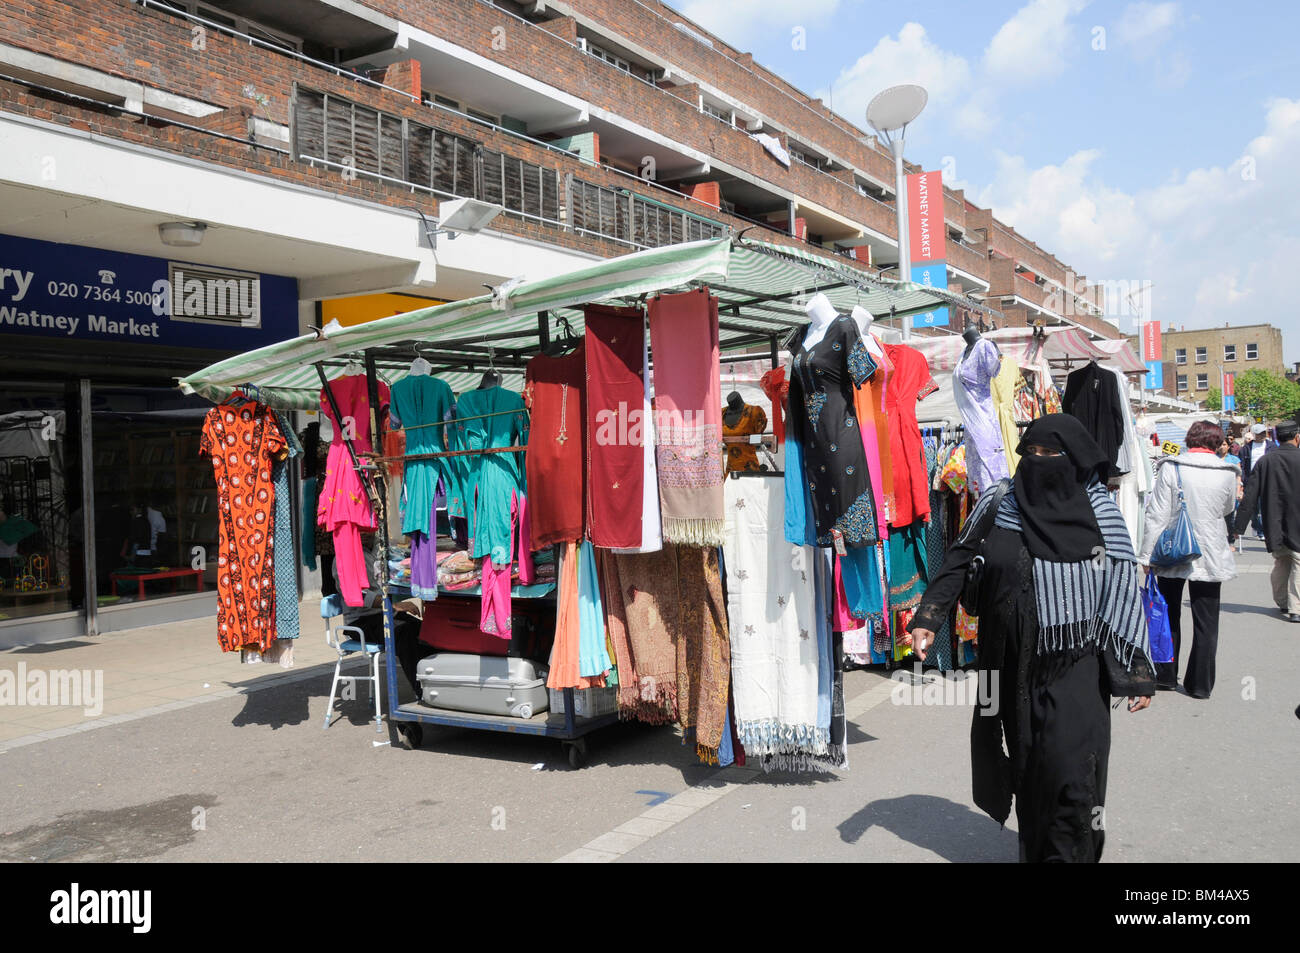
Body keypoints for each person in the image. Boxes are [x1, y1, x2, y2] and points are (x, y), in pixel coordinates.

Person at [909, 414, 1155, 863]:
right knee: (1027, 764)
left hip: (1076, 662)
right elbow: (961, 557)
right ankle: (1035, 850)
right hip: (1006, 657)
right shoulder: (1000, 501)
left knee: (1072, 769)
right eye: (1032, 454)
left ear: (1076, 461)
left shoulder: (1101, 514)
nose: (1039, 463)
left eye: (1051, 455)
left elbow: (1123, 590)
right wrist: (929, 614)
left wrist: (1136, 671)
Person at [1139, 422, 1237, 698]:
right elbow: (1227, 507)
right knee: (1207, 622)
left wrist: (1147, 555)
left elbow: (1157, 513)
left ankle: (1166, 676)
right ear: (1217, 442)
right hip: (1211, 551)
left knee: (1168, 615)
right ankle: (1200, 684)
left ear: (1189, 438)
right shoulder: (1227, 471)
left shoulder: (1172, 467)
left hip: (1173, 550)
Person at [1237, 421, 1300, 622]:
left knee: (1282, 561)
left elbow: (1250, 495)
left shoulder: (1265, 461)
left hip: (1274, 522)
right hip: (1298, 521)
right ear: (1297, 437)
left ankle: (1283, 601)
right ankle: (1296, 608)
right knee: (1298, 562)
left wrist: (1238, 526)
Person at [1240, 423, 1276, 539]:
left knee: (1265, 506)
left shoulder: (1272, 446)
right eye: (1260, 433)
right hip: (1252, 480)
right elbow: (1243, 466)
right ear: (1255, 434)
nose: (1262, 435)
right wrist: (1243, 481)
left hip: (1267, 480)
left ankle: (1263, 531)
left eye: (1263, 433)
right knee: (1253, 508)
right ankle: (1256, 525)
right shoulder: (1246, 449)